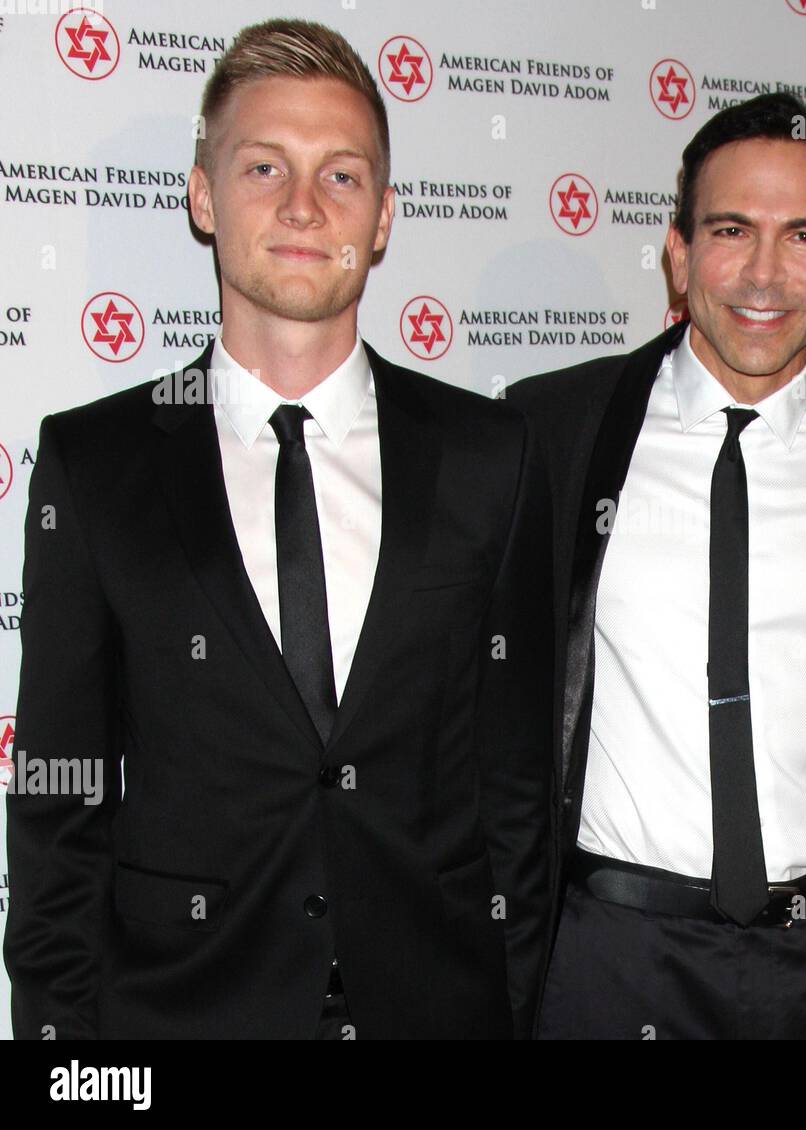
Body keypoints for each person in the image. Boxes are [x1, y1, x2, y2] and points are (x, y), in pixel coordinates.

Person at [4, 19, 553, 1040]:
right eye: (264, 167)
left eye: (341, 176)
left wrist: (509, 1008)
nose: (304, 205)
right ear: (203, 196)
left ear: (384, 217)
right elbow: (57, 811)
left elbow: (514, 784)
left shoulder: (490, 456)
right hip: (183, 1018)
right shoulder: (97, 462)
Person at [508, 93, 806, 1039]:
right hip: (612, 961)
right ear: (677, 255)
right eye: (730, 230)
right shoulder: (550, 433)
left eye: (804, 236)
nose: (764, 273)